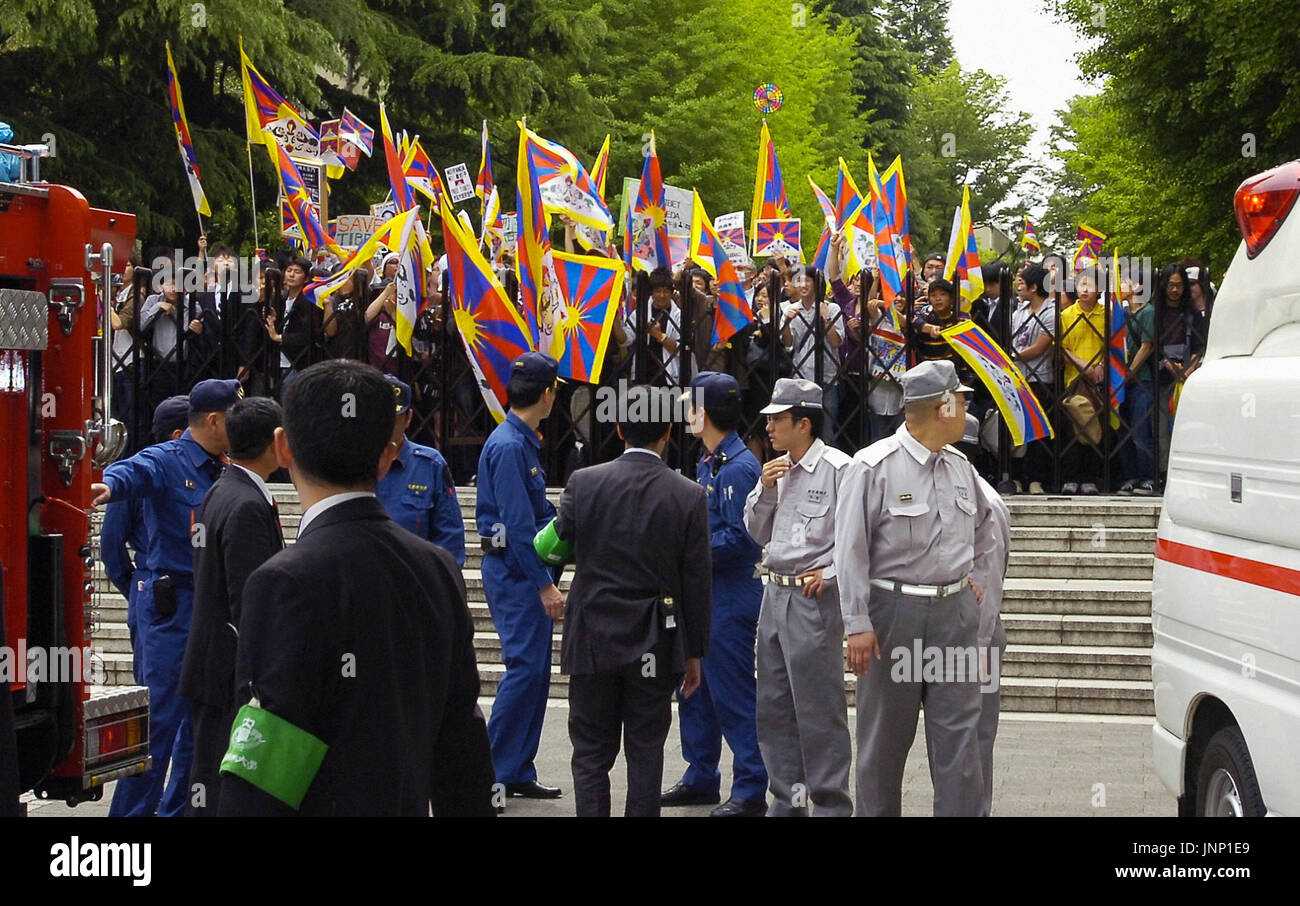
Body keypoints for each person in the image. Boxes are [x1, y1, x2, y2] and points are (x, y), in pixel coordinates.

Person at [217, 360, 494, 816]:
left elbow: (263, 760)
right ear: (387, 457)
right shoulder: (438, 568)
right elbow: (462, 743)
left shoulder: (282, 580)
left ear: (283, 447)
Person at [833, 360, 1007, 817]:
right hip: (894, 615)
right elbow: (849, 550)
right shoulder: (872, 467)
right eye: (963, 397)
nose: (968, 405)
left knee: (961, 744)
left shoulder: (960, 467)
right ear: (944, 405)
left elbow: (988, 530)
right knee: (883, 746)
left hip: (953, 615)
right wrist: (856, 623)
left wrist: (974, 584)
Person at [553, 384, 712, 817]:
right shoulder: (688, 495)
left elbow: (552, 547)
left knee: (590, 752)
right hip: (655, 640)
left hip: (592, 637)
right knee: (646, 751)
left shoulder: (583, 483)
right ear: (667, 432)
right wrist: (694, 653)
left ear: (620, 428)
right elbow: (697, 581)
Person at [91, 377, 241, 817]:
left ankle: (178, 812)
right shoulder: (167, 459)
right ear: (213, 421)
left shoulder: (225, 466)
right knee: (157, 725)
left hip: (211, 606)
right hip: (171, 608)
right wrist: (109, 486)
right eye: (234, 417)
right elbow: (132, 472)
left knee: (202, 727)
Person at [743, 378, 854, 817]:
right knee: (773, 705)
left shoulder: (840, 470)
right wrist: (766, 488)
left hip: (813, 597)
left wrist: (828, 573)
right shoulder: (775, 468)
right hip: (773, 591)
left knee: (818, 707)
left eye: (778, 419)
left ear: (803, 423)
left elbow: (858, 540)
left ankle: (829, 803)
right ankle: (787, 800)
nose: (768, 427)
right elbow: (754, 532)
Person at [662, 372, 768, 817]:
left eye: (690, 405)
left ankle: (750, 785)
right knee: (695, 690)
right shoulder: (711, 461)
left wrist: (686, 551)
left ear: (703, 413)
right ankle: (701, 773)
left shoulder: (739, 467)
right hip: (704, 594)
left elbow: (745, 539)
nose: (686, 413)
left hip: (729, 594)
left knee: (732, 692)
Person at [180, 397, 285, 816]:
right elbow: (249, 602)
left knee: (209, 776)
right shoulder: (244, 504)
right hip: (227, 674)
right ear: (274, 443)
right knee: (224, 786)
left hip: (212, 664)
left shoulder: (223, 489)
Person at [474, 351, 566, 803]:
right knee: (524, 668)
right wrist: (543, 583)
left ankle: (515, 767)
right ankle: (490, 770)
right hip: (515, 573)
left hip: (522, 569)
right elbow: (516, 525)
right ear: (547, 394)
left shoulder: (519, 441)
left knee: (535, 673)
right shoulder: (510, 446)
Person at [100, 395, 190, 681]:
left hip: (186, 594)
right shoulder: (143, 475)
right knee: (156, 687)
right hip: (152, 585)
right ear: (178, 434)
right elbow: (111, 546)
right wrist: (139, 586)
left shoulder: (200, 472)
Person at [376, 376, 466, 566]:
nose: (385, 424)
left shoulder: (430, 464)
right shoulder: (352, 461)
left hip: (415, 583)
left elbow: (450, 537)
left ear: (408, 418)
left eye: (394, 418)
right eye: (379, 415)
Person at [971, 472, 1010, 815]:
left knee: (974, 738)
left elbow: (989, 578)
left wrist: (980, 644)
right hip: (948, 628)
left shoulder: (985, 502)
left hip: (974, 633)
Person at [1057, 269, 1108, 495]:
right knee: (1073, 428)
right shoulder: (1066, 315)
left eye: (1090, 285)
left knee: (1095, 428)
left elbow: (1115, 345)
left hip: (1100, 380)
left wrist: (1101, 366)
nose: (1084, 290)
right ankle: (1071, 477)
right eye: (1081, 284)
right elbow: (1061, 347)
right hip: (1073, 379)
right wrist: (1083, 366)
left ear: (1099, 289)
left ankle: (1091, 478)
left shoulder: (1107, 314)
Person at [779, 264, 844, 442]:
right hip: (801, 375)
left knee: (827, 430)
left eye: (807, 280)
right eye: (798, 280)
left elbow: (836, 342)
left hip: (827, 378)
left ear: (815, 283)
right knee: (801, 429)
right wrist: (785, 323)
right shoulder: (790, 310)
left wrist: (826, 319)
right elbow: (788, 343)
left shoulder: (831, 309)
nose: (803, 285)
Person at [1008, 264, 1057, 495]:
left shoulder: (1050, 312)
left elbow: (1040, 347)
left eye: (1021, 283)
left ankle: (1036, 479)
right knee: (1017, 430)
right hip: (1017, 378)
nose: (1018, 288)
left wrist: (1012, 355)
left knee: (1039, 431)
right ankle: (1016, 477)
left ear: (1035, 287)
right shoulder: (1018, 312)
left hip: (1040, 378)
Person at [1117, 273, 1158, 496]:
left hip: (1141, 378)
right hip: (1122, 378)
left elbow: (1147, 345)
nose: (1121, 284)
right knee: (1123, 430)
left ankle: (1147, 478)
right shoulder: (1122, 312)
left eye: (1125, 281)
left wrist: (1131, 370)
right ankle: (1129, 476)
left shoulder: (1148, 311)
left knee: (1140, 431)